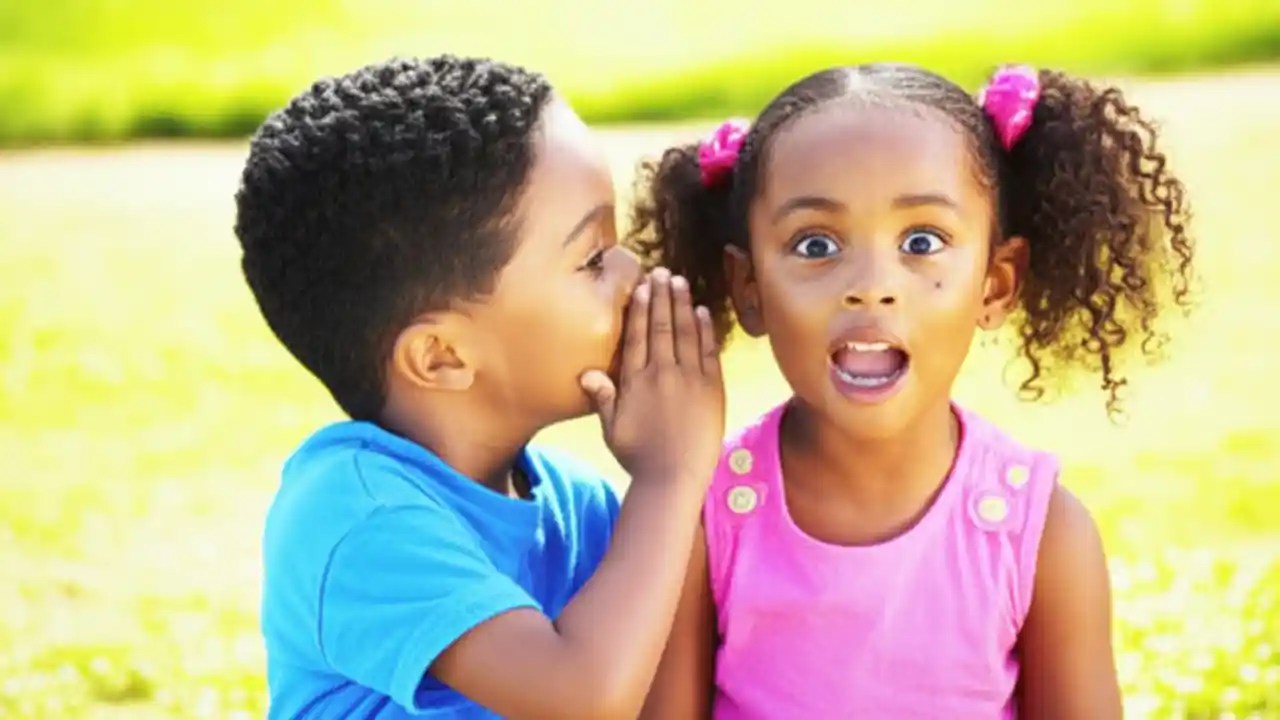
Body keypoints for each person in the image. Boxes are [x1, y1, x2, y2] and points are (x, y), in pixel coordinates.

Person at [629, 63, 1195, 718]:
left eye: (921, 241)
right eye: (815, 244)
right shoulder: (701, 517)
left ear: (996, 282)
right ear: (748, 286)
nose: (871, 283)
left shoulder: (1041, 537)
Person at [235, 54, 724, 719]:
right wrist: (670, 479)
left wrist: (679, 506)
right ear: (441, 357)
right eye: (591, 259)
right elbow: (580, 696)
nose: (633, 271)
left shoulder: (583, 510)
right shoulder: (359, 516)